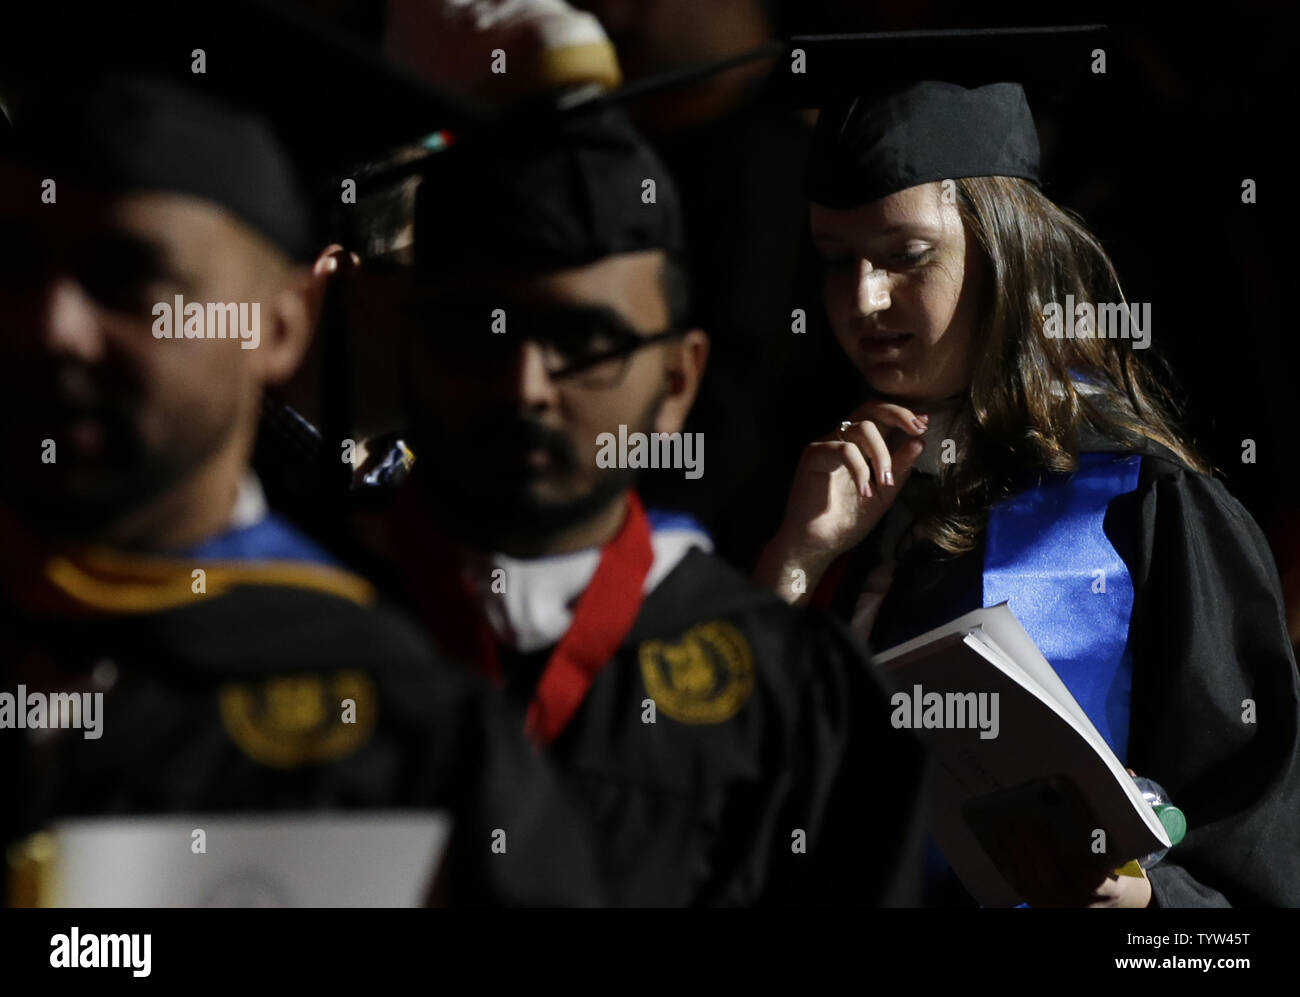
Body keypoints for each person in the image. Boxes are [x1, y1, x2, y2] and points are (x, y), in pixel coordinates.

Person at [0, 6, 600, 907]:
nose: (53, 328)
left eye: (132, 280)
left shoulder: (407, 731)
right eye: (10, 264)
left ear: (280, 326)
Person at [755, 74, 1300, 907]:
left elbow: (1252, 876)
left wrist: (1150, 902)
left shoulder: (1143, 507)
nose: (863, 299)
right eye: (836, 261)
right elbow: (701, 795)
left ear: (1006, 249)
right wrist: (795, 560)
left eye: (906, 256)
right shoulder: (813, 485)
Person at [380, 104, 926, 906]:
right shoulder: (290, 633)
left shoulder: (791, 695)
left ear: (677, 381)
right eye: (476, 333)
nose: (526, 386)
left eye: (586, 342)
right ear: (410, 352)